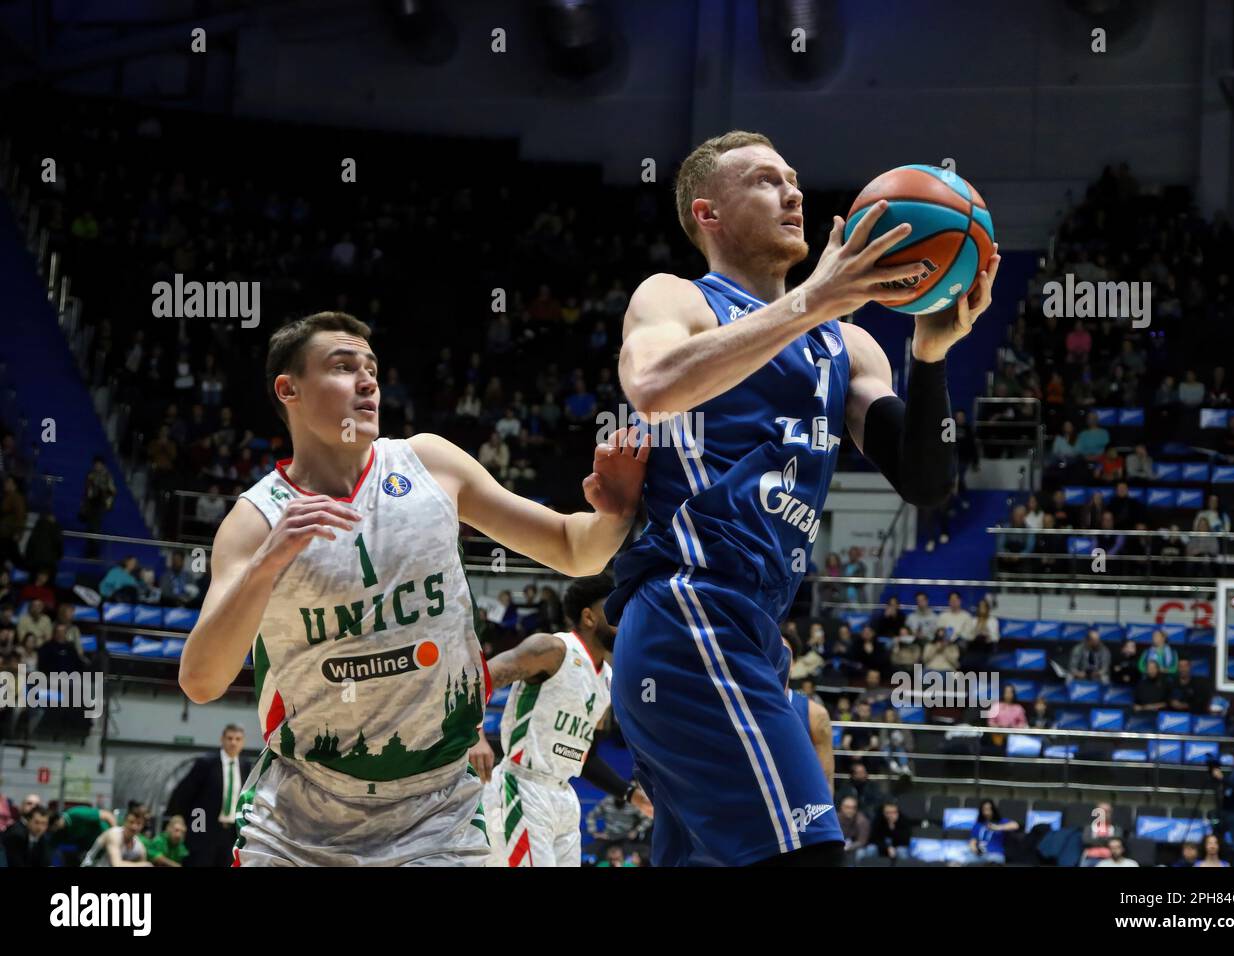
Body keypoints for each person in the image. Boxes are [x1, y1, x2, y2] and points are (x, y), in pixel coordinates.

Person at [606, 132, 997, 867]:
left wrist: (931, 355)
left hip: (752, 632)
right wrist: (815, 298)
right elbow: (654, 389)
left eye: (793, 179)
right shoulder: (677, 296)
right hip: (689, 613)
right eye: (763, 181)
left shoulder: (847, 347)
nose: (792, 193)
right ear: (708, 214)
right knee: (810, 852)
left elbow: (927, 483)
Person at [178, 312, 647, 866]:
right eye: (343, 366)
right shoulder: (256, 520)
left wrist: (614, 512)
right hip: (301, 817)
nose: (368, 380)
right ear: (289, 389)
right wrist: (265, 566)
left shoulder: (431, 463)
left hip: (438, 812)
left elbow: (574, 549)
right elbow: (203, 680)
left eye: (371, 368)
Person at [478, 575, 652, 868]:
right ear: (588, 616)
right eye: (615, 611)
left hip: (563, 796)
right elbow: (479, 679)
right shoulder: (551, 649)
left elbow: (585, 757)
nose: (623, 620)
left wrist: (632, 795)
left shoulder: (607, 679)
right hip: (522, 786)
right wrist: (476, 735)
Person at [165, 725, 254, 867]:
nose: (233, 743)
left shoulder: (246, 766)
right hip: (204, 828)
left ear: (243, 742)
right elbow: (184, 792)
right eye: (229, 738)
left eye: (238, 739)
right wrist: (181, 819)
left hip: (231, 832)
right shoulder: (206, 763)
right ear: (222, 739)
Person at [782, 633, 835, 792]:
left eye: (783, 653)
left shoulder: (814, 714)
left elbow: (825, 781)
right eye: (769, 651)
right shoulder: (736, 707)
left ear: (794, 664)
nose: (775, 658)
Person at [82, 807, 152, 867]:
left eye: (138, 823)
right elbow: (116, 865)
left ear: (142, 826)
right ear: (125, 822)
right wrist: (144, 865)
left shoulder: (139, 847)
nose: (134, 827)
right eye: (131, 822)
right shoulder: (114, 834)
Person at [967, 799, 1018, 865]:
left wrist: (998, 827)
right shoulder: (978, 824)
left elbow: (1015, 825)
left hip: (995, 854)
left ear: (993, 810)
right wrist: (975, 850)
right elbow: (972, 841)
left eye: (989, 809)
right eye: (984, 809)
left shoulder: (1001, 821)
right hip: (980, 854)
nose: (986, 812)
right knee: (959, 862)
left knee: (993, 862)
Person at [836, 794, 871, 865]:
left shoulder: (861, 821)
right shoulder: (835, 819)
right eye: (847, 807)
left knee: (861, 853)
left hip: (856, 848)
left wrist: (848, 847)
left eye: (853, 808)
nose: (850, 810)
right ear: (841, 807)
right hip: (839, 845)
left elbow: (862, 842)